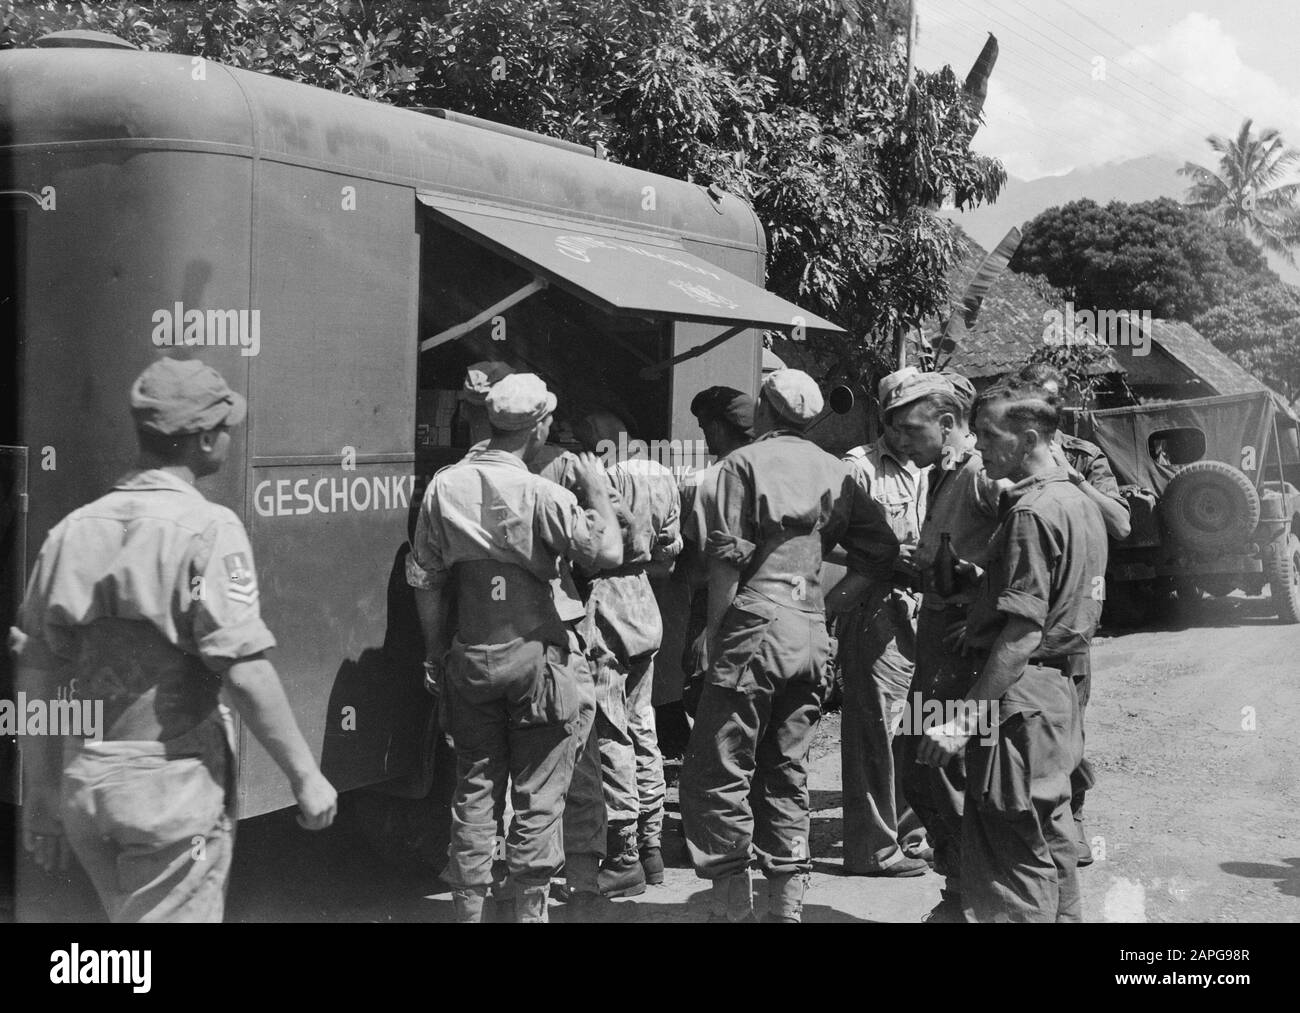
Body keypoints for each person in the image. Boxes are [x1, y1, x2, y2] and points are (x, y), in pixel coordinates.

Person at [13, 357, 337, 922]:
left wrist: (39, 794)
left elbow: (35, 670)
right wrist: (305, 775)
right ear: (205, 440)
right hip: (168, 786)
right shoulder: (208, 530)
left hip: (88, 781)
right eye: (226, 429)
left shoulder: (72, 531)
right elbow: (244, 668)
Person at [680, 369, 899, 923]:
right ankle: (786, 911)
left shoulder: (740, 465)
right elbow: (882, 550)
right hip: (809, 628)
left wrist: (715, 636)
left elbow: (726, 561)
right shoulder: (836, 470)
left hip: (753, 622)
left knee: (718, 770)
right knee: (787, 769)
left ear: (766, 412)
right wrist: (834, 602)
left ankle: (731, 909)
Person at [407, 373, 623, 923]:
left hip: (471, 653)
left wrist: (436, 651)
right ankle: (529, 915)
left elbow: (425, 579)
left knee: (474, 794)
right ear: (540, 425)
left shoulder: (443, 486)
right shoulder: (542, 493)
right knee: (538, 798)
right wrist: (594, 485)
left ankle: (469, 914)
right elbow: (611, 551)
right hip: (535, 656)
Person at [919, 379, 1107, 922]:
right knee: (1052, 838)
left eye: (986, 435)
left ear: (1027, 438)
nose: (977, 448)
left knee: (1011, 860)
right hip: (1060, 693)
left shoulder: (1029, 513)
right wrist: (984, 585)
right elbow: (1058, 598)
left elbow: (1023, 632)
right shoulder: (1076, 500)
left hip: (1022, 700)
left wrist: (962, 719)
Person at [888, 369, 1008, 922]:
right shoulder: (943, 474)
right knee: (918, 764)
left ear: (946, 422)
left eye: (910, 431)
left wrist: (984, 610)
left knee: (942, 764)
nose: (900, 443)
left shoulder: (983, 474)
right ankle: (962, 884)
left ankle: (970, 894)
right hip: (938, 636)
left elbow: (1030, 546)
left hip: (963, 643)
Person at [546, 411, 682, 891]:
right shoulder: (662, 474)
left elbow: (591, 545)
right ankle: (652, 847)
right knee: (643, 725)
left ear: (595, 444)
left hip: (605, 607)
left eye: (576, 440)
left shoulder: (593, 481)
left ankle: (622, 855)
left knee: (608, 731)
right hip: (645, 602)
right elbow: (668, 554)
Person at [1015, 363, 1130, 865]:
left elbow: (1121, 523)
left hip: (1070, 614)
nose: (1047, 403)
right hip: (1020, 602)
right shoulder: (1007, 449)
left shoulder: (1084, 455)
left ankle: (1071, 820)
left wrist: (1074, 480)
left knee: (1068, 725)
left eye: (1054, 397)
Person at [828, 367, 932, 877]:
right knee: (874, 729)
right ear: (888, 419)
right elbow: (832, 538)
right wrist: (889, 558)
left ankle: (913, 831)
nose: (917, 429)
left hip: (927, 609)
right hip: (877, 608)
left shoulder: (934, 465)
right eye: (908, 419)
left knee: (916, 724)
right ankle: (872, 848)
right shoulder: (858, 468)